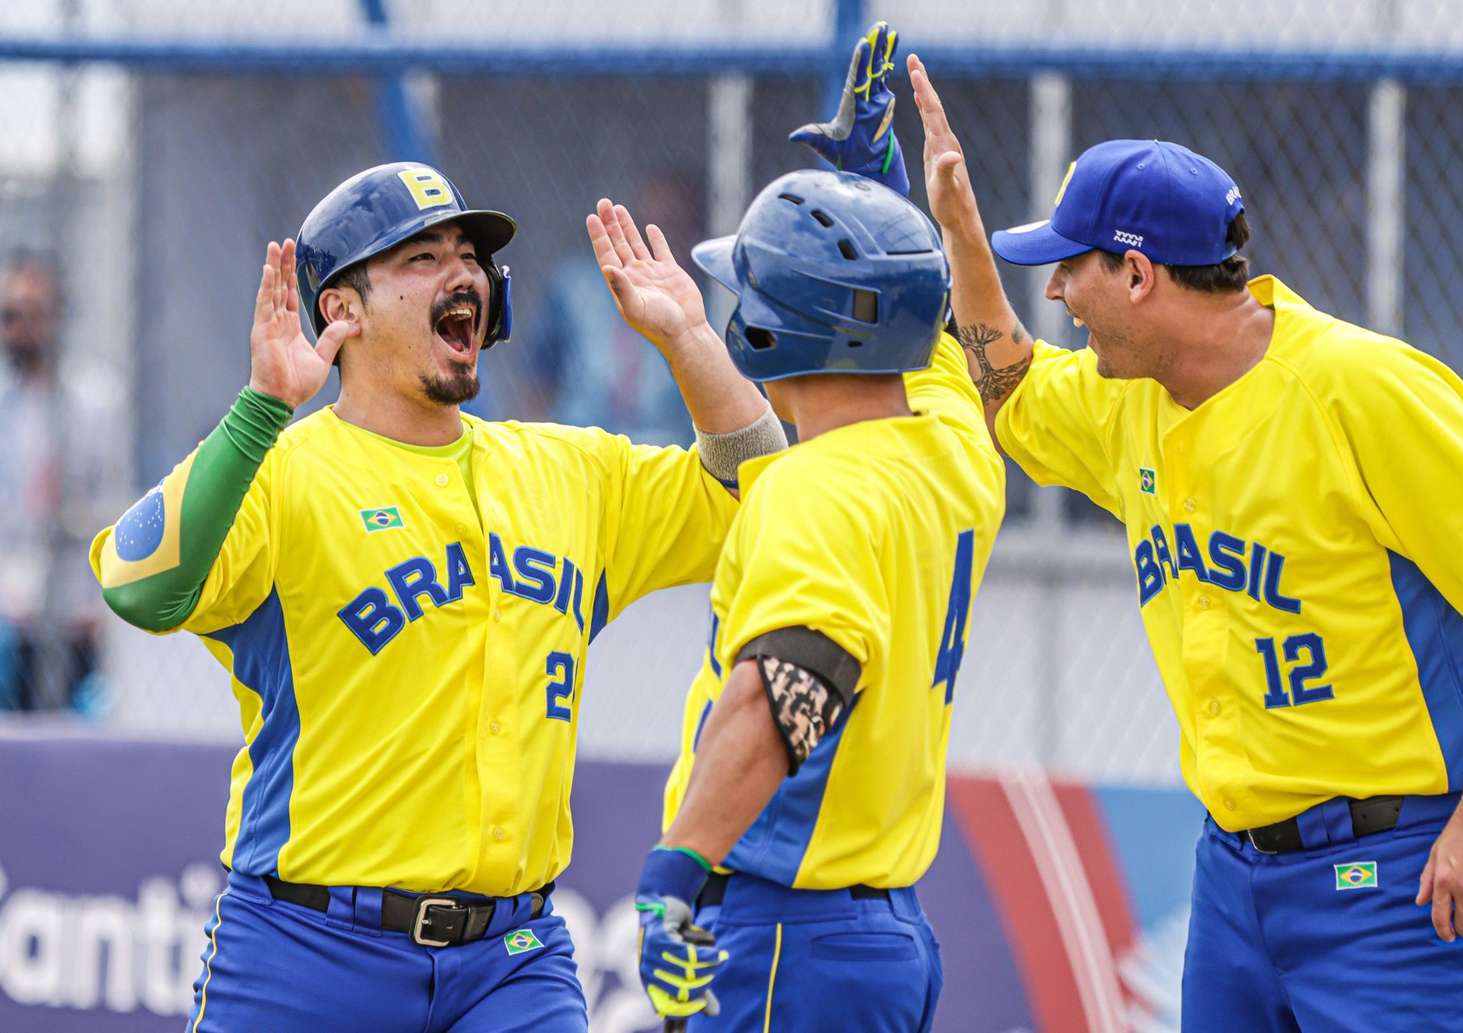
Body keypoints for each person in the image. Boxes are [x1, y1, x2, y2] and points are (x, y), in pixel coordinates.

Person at [903, 54, 1463, 1032]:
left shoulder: (1359, 390)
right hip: (1234, 871)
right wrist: (958, 234)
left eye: (1071, 269)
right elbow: (1011, 391)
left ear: (1137, 272)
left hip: (1394, 877)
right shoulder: (1129, 399)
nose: (1059, 297)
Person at [89, 161, 785, 1033]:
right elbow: (139, 586)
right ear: (342, 310)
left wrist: (689, 341)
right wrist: (263, 408)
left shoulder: (569, 472)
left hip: (513, 961)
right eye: (420, 257)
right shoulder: (282, 474)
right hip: (306, 950)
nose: (462, 272)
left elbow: (766, 502)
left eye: (468, 254)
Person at [631, 25, 1007, 1031]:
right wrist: (881, 188)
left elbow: (788, 689)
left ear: (775, 330)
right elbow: (924, 340)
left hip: (782, 934)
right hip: (882, 932)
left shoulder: (813, 486)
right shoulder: (956, 450)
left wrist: (679, 865)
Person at [0, 254, 121, 711]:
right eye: (9, 316)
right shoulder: (5, 405)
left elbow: (112, 504)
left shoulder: (93, 402)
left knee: (69, 734)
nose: (19, 329)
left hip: (72, 607)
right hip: (9, 611)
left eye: (33, 314)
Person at [519, 170, 702, 446]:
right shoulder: (574, 286)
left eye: (674, 226)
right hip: (579, 442)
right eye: (647, 226)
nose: (662, 238)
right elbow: (538, 378)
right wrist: (536, 448)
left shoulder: (701, 302)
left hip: (666, 449)